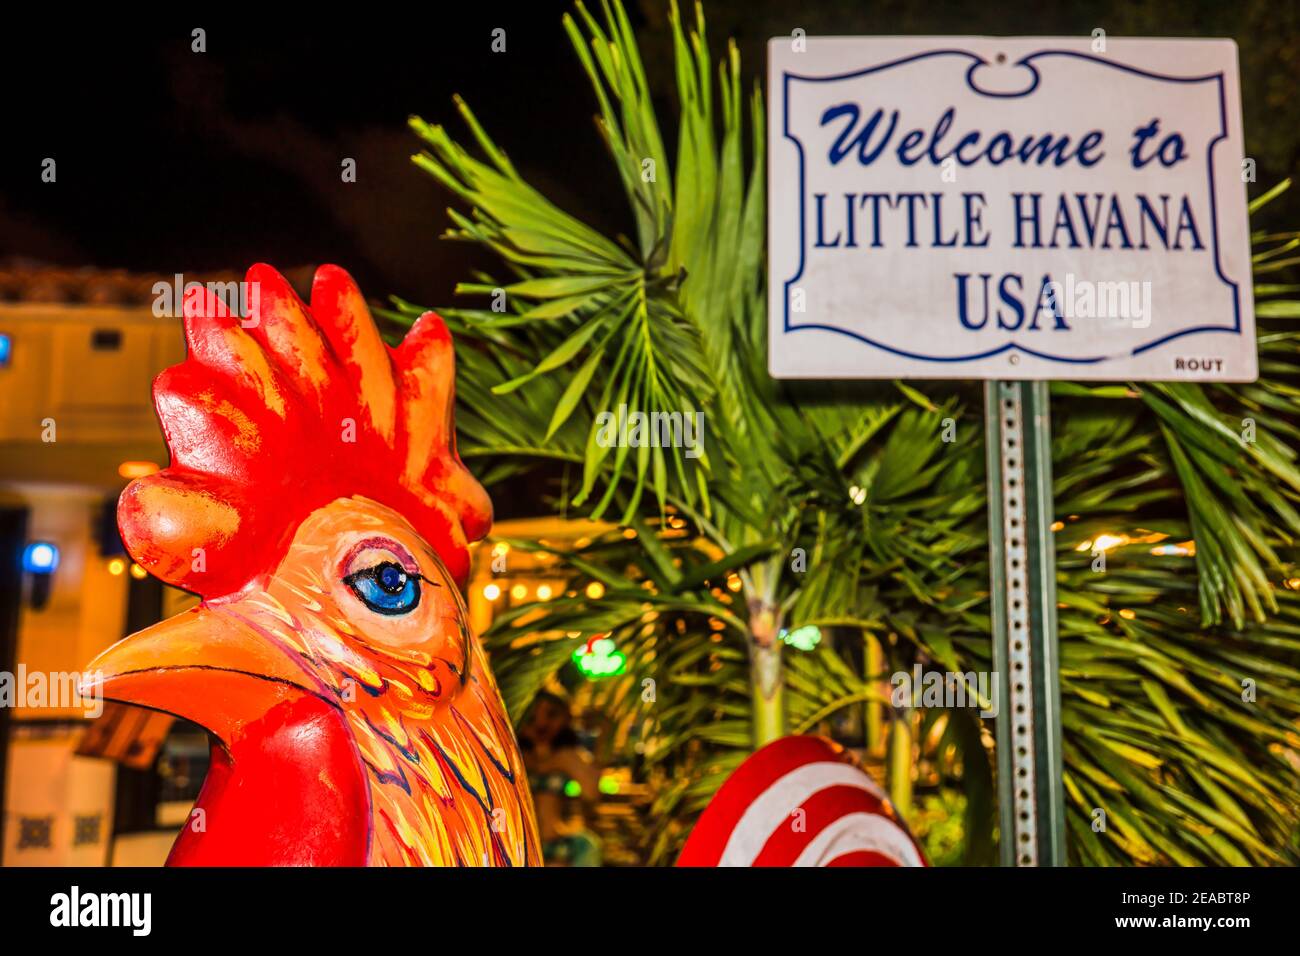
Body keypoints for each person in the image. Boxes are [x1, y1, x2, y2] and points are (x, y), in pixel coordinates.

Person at [518, 690, 603, 866]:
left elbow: (592, 792)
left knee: (589, 844)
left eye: (551, 714)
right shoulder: (513, 756)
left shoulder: (567, 756)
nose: (541, 722)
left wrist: (605, 734)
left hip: (558, 843)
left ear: (565, 719)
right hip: (520, 845)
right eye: (533, 716)